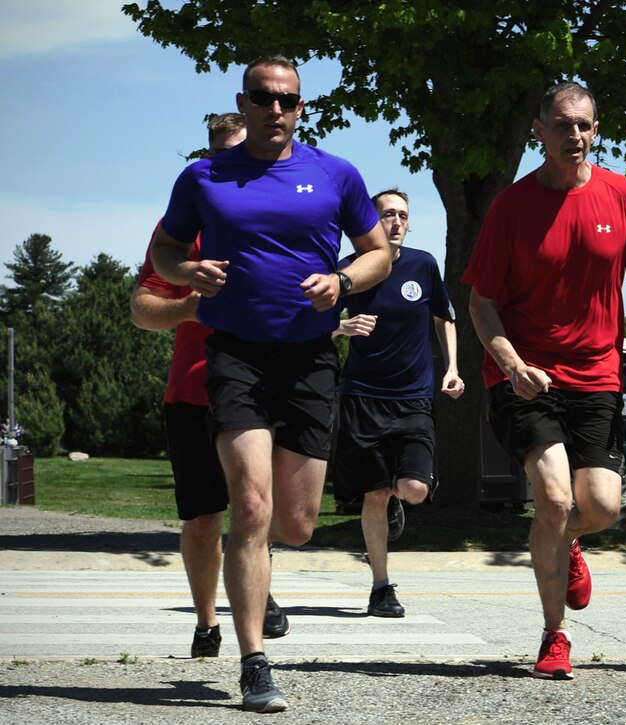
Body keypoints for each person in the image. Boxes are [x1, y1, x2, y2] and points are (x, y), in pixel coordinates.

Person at [151, 56, 393, 713]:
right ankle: (254, 660)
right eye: (263, 97)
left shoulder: (334, 173)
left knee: (298, 521)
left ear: (301, 107)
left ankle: (260, 577)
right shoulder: (204, 176)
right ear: (245, 100)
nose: (275, 109)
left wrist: (341, 281)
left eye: (286, 99)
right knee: (250, 505)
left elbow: (379, 251)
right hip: (236, 357)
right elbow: (165, 252)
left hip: (312, 358)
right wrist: (188, 269)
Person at [462, 81, 626, 680]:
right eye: (560, 125)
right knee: (553, 497)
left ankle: (566, 541)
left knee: (598, 507)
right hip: (527, 378)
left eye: (582, 125)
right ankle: (555, 636)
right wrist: (510, 365)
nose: (572, 136)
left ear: (595, 130)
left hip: (597, 376)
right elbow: (481, 302)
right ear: (539, 131)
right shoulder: (512, 206)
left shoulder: (623, 196)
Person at [131, 113, 292, 660]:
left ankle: (256, 593)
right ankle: (207, 622)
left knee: (258, 506)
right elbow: (142, 310)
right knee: (204, 518)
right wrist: (192, 305)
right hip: (195, 390)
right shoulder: (182, 228)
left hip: (263, 388)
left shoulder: (287, 216)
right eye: (227, 156)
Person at [332, 188, 464, 619]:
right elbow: (312, 325)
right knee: (374, 494)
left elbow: (445, 317)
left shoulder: (422, 264)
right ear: (370, 222)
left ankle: (398, 499)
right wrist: (343, 328)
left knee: (413, 489)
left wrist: (452, 368)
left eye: (402, 215)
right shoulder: (348, 270)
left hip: (413, 397)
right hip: (364, 397)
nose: (396, 221)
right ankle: (380, 587)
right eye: (387, 214)